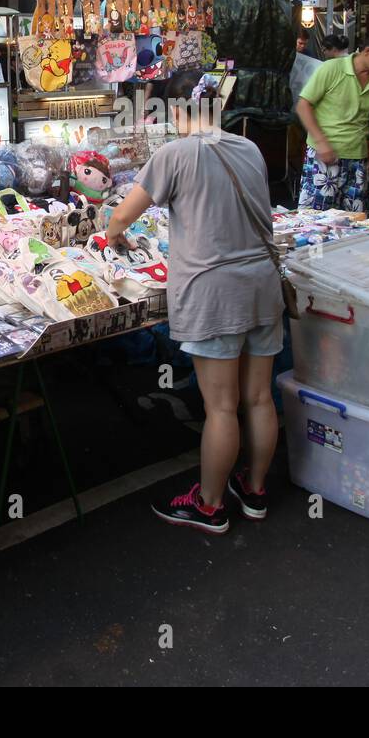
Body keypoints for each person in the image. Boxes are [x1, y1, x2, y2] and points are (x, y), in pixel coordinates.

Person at [106, 70, 283, 534]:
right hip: (263, 284)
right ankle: (256, 490)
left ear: (179, 109)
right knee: (260, 397)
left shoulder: (175, 154)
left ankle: (209, 505)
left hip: (215, 293)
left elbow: (123, 215)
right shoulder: (249, 148)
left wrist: (111, 234)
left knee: (221, 407)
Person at [296, 30, 369, 211]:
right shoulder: (332, 69)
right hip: (323, 157)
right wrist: (321, 142)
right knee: (315, 222)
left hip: (358, 159)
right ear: (368, 51)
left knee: (352, 222)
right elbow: (304, 105)